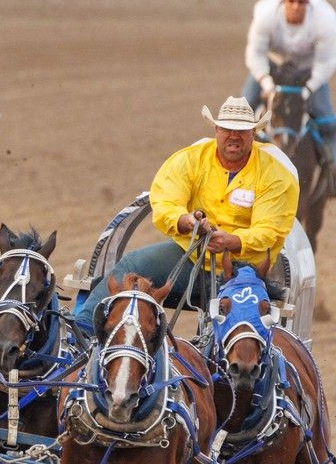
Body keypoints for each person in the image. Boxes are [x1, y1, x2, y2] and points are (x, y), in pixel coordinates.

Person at [73, 96, 300, 336]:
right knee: (132, 266)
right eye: (227, 129)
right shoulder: (191, 159)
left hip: (244, 269)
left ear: (253, 133)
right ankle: (80, 333)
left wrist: (233, 241)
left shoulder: (274, 173)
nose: (234, 136)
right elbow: (165, 201)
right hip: (191, 255)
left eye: (241, 131)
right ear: (216, 130)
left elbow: (269, 229)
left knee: (239, 323)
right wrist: (186, 221)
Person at [243, 0, 336, 166]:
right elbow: (255, 54)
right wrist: (267, 84)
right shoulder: (266, 15)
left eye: (301, 2)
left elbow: (326, 63)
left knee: (326, 119)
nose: (295, 6)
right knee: (242, 109)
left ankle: (331, 166)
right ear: (282, 1)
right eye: (291, 1)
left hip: (308, 71)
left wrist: (309, 89)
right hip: (272, 67)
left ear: (308, 3)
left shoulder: (325, 19)